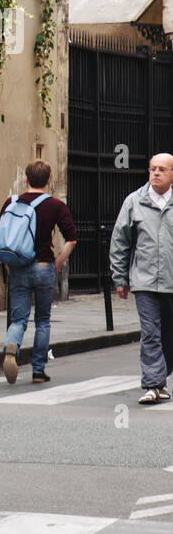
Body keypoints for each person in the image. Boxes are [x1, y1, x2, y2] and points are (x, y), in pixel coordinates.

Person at [0, 159, 77, 384]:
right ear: (49, 180)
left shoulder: (11, 202)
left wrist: (9, 265)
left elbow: (1, 237)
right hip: (43, 267)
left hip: (19, 267)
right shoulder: (56, 206)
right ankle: (38, 370)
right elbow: (71, 239)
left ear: (26, 178)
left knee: (18, 319)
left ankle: (11, 347)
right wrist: (57, 263)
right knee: (42, 320)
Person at [109, 153, 173, 405]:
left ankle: (162, 375)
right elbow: (120, 241)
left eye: (162, 170)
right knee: (150, 333)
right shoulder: (134, 202)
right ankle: (154, 384)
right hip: (145, 280)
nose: (156, 173)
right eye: (152, 169)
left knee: (168, 334)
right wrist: (120, 278)